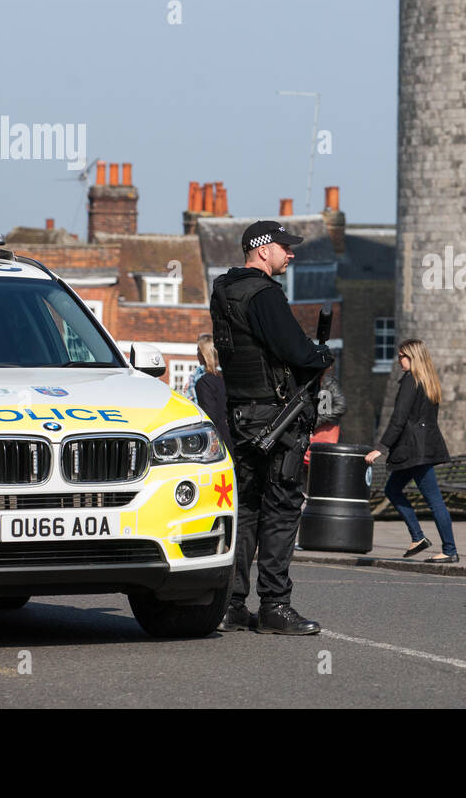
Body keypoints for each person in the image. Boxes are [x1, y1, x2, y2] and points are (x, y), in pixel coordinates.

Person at [211, 220, 333, 635]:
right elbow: (295, 351)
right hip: (277, 419)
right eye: (285, 247)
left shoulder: (224, 291)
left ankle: (231, 603)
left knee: (245, 508)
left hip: (241, 416)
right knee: (281, 509)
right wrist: (320, 355)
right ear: (263, 250)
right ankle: (275, 606)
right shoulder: (264, 294)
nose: (291, 254)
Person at [365, 339, 456, 562]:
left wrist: (381, 448)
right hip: (422, 446)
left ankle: (450, 550)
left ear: (413, 357)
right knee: (393, 490)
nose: (398, 361)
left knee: (434, 500)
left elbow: (399, 419)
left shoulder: (411, 380)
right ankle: (418, 537)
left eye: (402, 357)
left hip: (415, 450)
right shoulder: (429, 380)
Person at [191, 334, 234, 459]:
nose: (197, 354)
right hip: (233, 436)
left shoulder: (203, 382)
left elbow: (210, 416)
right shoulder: (226, 378)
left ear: (204, 355)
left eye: (198, 350)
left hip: (219, 441)